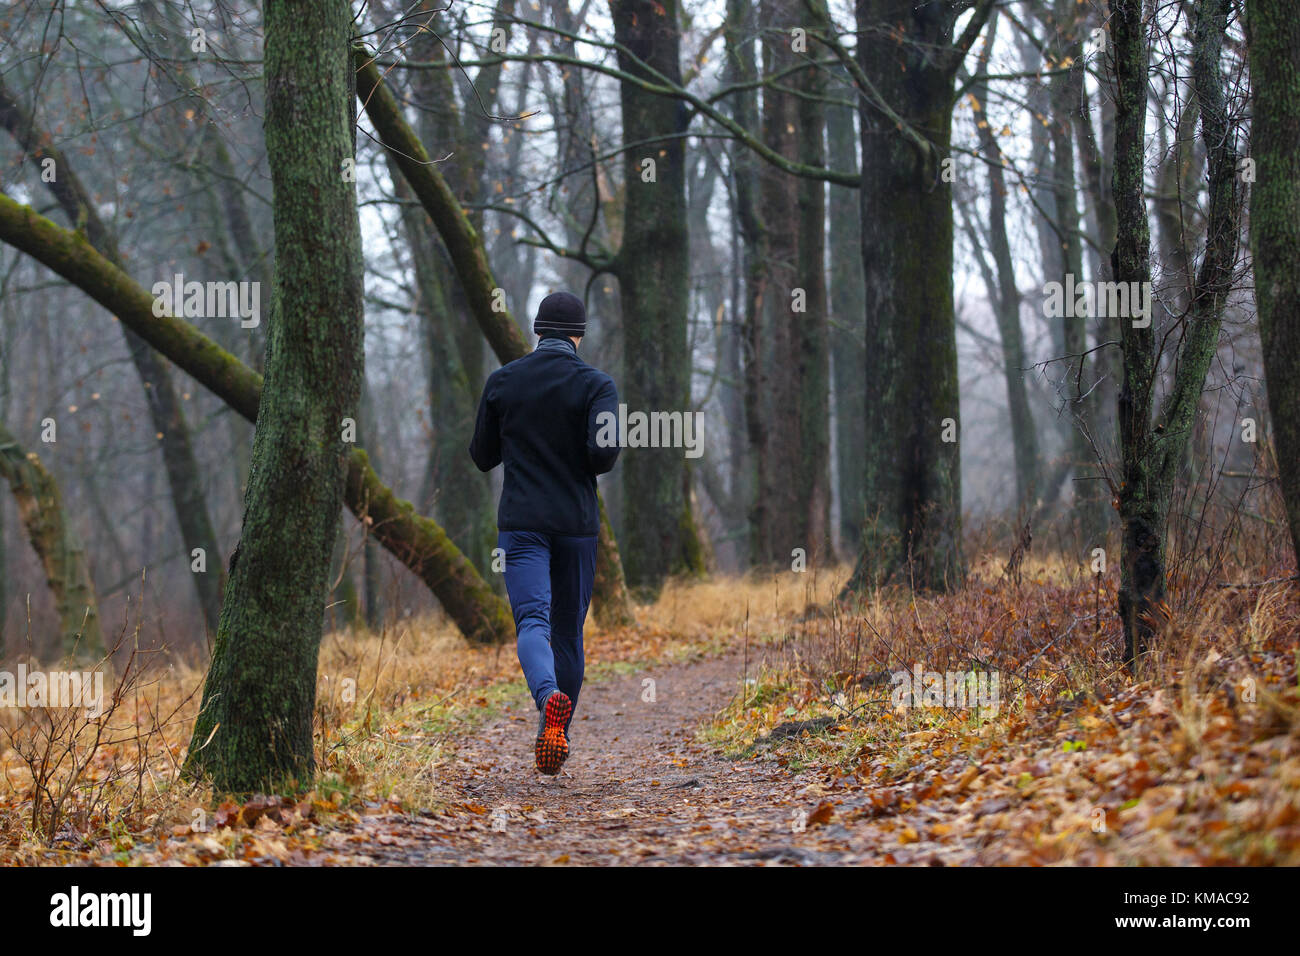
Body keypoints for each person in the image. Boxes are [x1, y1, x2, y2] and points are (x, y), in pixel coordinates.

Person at [468, 291, 620, 774]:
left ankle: (546, 697)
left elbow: (481, 455)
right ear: (579, 336)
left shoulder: (503, 381)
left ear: (537, 330)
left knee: (532, 621)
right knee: (568, 633)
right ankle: (557, 730)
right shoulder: (597, 385)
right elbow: (604, 456)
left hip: (522, 525)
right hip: (575, 525)